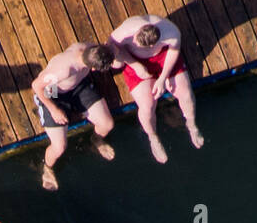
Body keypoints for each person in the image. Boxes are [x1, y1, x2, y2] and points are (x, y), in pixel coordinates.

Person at [108, 15, 204, 164]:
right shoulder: (124, 32)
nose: (135, 43)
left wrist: (162, 77)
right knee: (147, 105)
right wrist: (135, 65)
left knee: (185, 93)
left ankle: (191, 124)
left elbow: (174, 51)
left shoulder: (171, 32)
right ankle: (153, 137)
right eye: (136, 42)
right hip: (134, 60)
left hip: (162, 56)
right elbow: (112, 50)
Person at [30, 42, 117, 191]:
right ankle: (47, 168)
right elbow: (37, 86)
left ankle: (96, 139)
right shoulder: (63, 70)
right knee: (59, 147)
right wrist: (54, 109)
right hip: (53, 92)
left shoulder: (89, 49)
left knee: (107, 124)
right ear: (94, 68)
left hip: (77, 86)